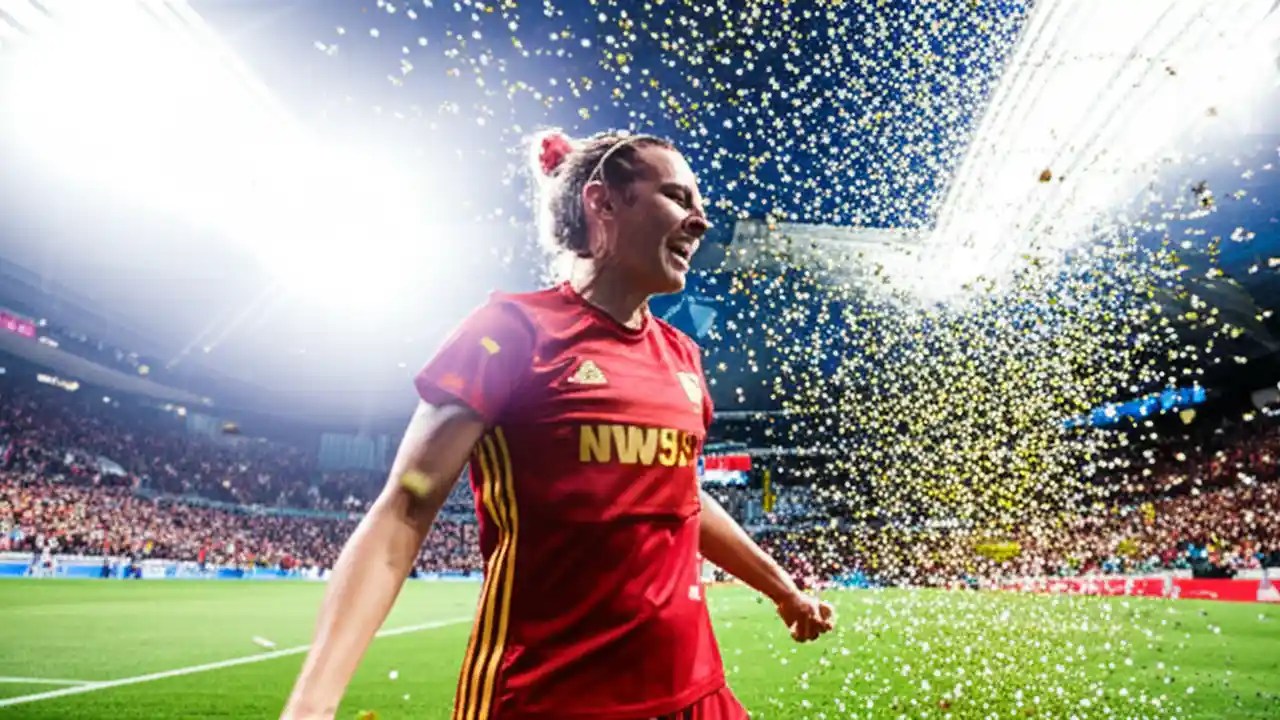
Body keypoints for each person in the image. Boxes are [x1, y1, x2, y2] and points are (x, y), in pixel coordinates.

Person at [281, 129, 835, 720]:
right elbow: (406, 509)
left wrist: (783, 588)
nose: (699, 221)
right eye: (677, 197)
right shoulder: (509, 332)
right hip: (552, 700)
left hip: (697, 695)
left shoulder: (682, 359)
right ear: (602, 202)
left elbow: (680, 494)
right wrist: (313, 701)